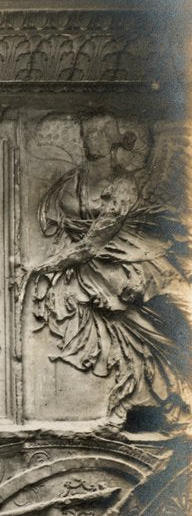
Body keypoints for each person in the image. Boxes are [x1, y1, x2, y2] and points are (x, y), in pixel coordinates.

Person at [22, 114, 190, 424]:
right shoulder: (72, 181)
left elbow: (93, 243)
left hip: (132, 268)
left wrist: (45, 266)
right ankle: (139, 397)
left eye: (99, 134)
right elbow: (68, 229)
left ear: (113, 142)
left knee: (161, 335)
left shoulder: (123, 184)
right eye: (87, 133)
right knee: (121, 344)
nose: (91, 139)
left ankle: (177, 394)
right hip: (90, 274)